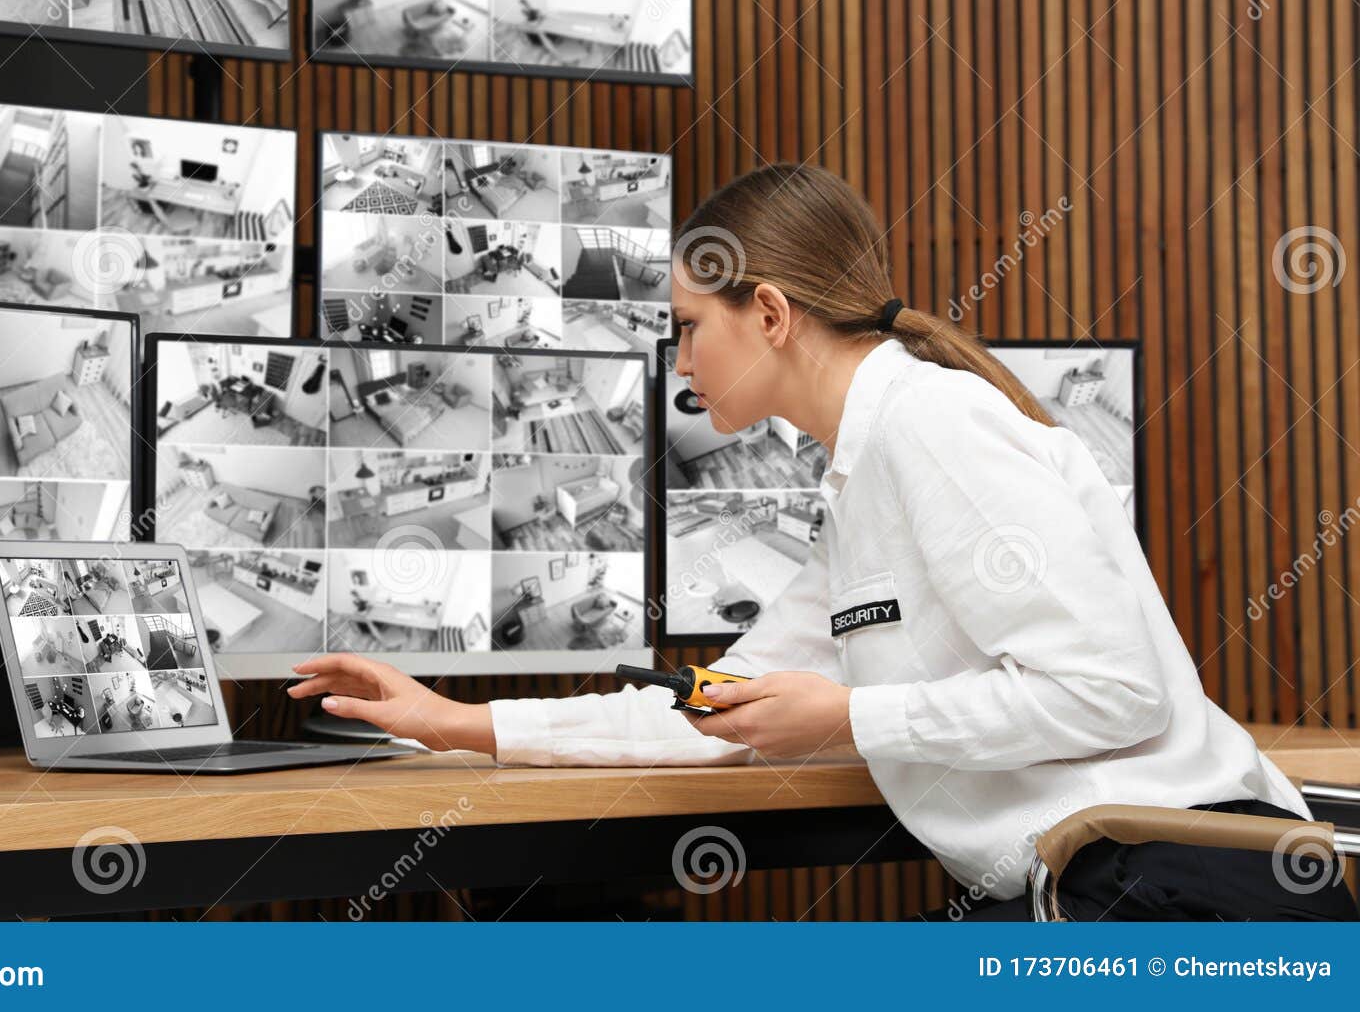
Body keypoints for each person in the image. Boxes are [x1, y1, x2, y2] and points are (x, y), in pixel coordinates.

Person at [290, 163, 1358, 922]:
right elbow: (716, 709)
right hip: (1095, 891)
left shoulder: (936, 427)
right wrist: (454, 721)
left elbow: (1111, 691)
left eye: (690, 327)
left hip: (1172, 900)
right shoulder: (858, 478)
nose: (681, 362)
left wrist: (851, 713)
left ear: (767, 313)